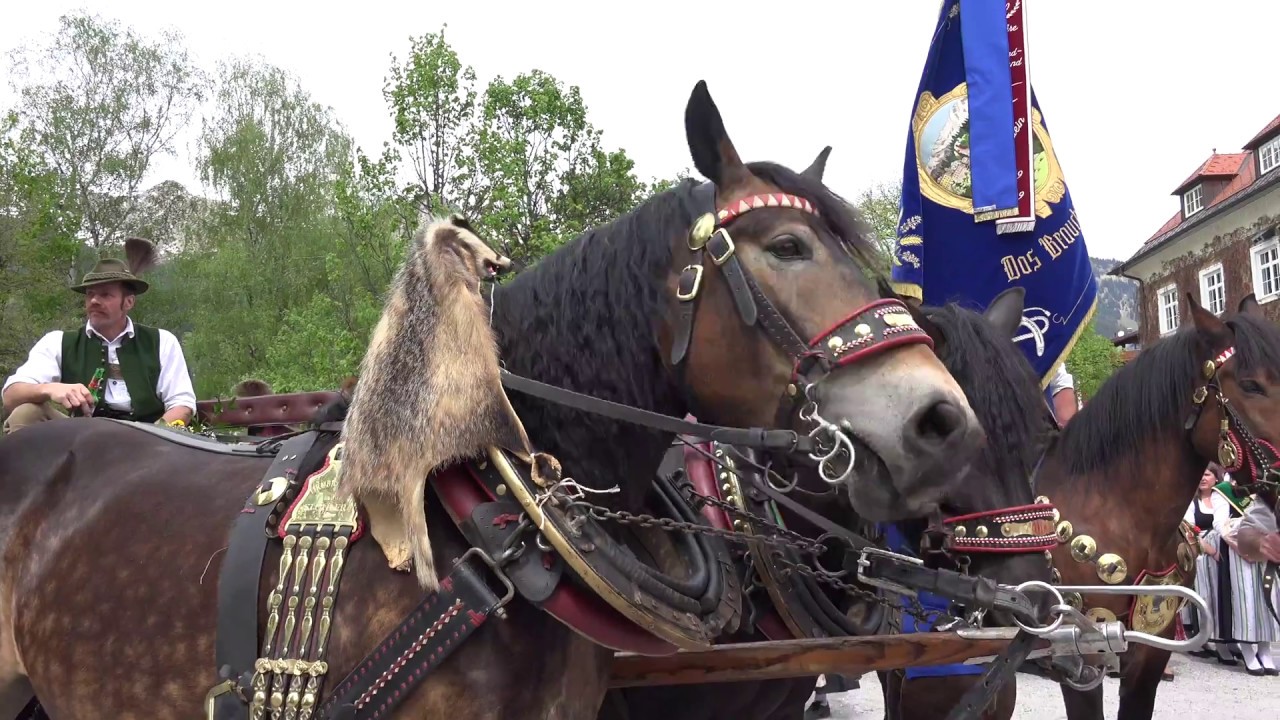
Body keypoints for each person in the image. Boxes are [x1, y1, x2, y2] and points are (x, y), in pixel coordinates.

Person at [1, 238, 196, 432]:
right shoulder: (58, 342)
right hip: (81, 437)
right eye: (90, 294)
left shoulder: (161, 341)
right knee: (25, 413)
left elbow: (182, 404)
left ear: (128, 303)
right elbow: (11, 395)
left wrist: (152, 436)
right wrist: (50, 389)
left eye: (105, 295)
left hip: (147, 440)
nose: (94, 300)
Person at [1181, 467, 1279, 675]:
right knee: (1245, 600)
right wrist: (1242, 544)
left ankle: (1265, 650)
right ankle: (1247, 650)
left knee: (1266, 598)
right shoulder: (1223, 491)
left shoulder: (1264, 490)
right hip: (1237, 550)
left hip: (1265, 548)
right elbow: (1221, 524)